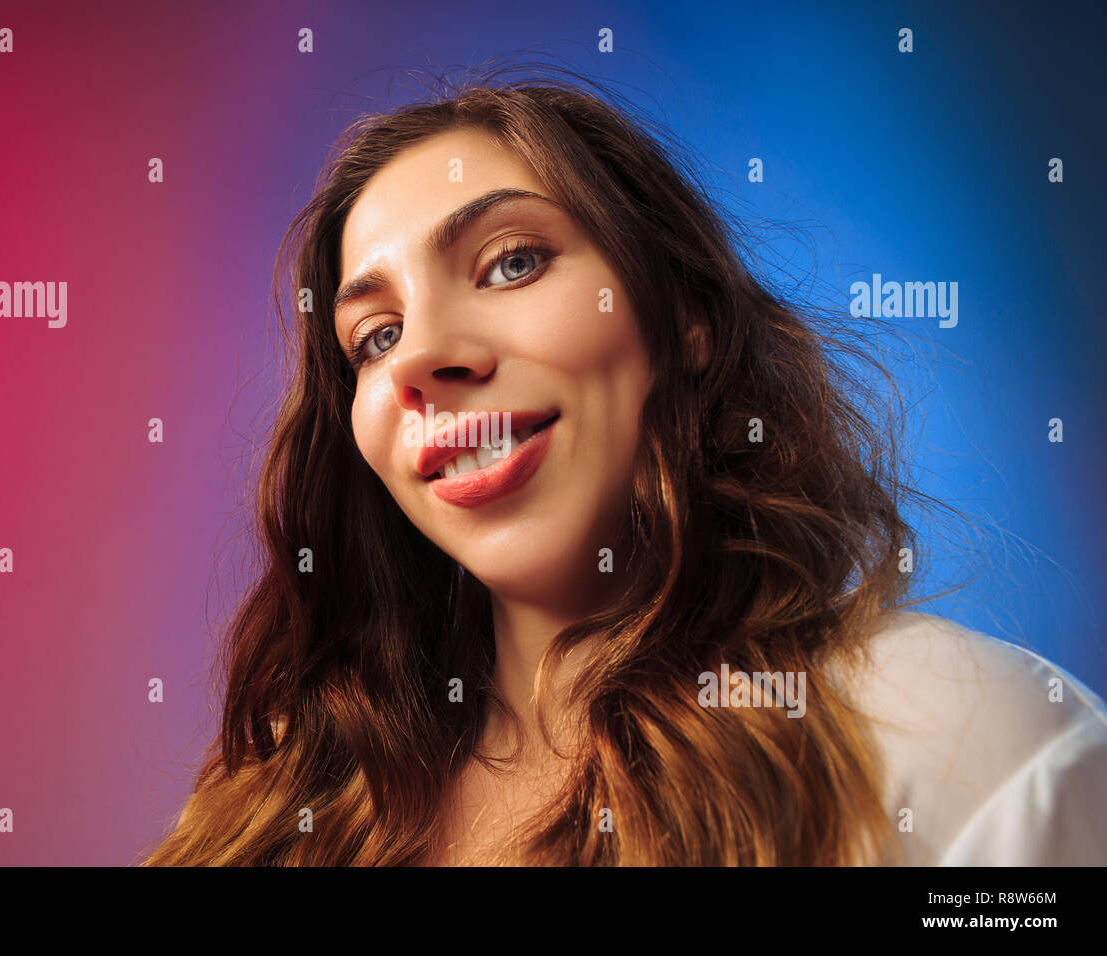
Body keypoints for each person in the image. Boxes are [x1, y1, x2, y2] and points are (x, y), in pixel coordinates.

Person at [141, 66, 1107, 866]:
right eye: (376, 335)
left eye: (512, 262)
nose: (425, 358)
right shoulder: (263, 809)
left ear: (681, 318)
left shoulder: (971, 753)